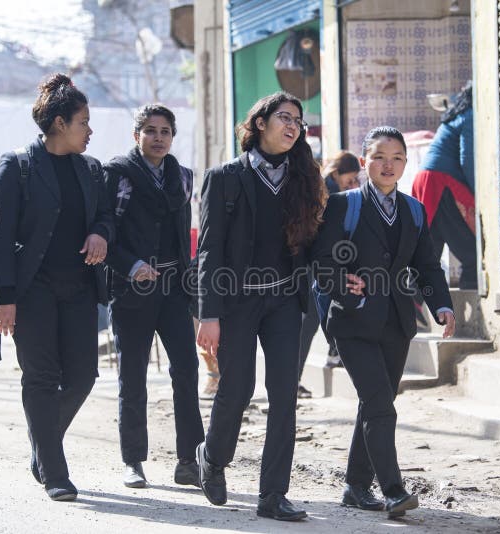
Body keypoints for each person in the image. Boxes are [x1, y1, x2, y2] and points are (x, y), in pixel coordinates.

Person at [312, 126, 455, 519]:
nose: (387, 165)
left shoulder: (413, 209)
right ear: (364, 163)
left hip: (396, 322)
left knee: (375, 404)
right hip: (352, 320)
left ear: (406, 164)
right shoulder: (344, 206)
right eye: (379, 157)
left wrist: (441, 305)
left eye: (396, 158)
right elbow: (320, 262)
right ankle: (392, 490)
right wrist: (342, 281)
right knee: (380, 406)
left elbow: (426, 264)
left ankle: (355, 486)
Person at [195, 92, 326, 521]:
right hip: (236, 299)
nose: (292, 126)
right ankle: (212, 458)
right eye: (283, 117)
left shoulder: (304, 178)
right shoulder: (225, 178)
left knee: (284, 393)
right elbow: (210, 250)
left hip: (286, 298)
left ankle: (272, 495)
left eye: (298, 121)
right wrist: (208, 313)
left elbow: (314, 242)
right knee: (238, 387)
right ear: (260, 123)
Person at [0, 73, 114, 501]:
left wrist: (100, 232)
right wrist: (4, 296)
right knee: (41, 378)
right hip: (32, 290)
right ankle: (56, 473)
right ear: (60, 123)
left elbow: (107, 215)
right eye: (83, 122)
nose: (90, 130)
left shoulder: (91, 169)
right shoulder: (17, 167)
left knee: (82, 376)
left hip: (78, 289)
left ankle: (43, 444)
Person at [103, 104, 205, 489]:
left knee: (187, 370)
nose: (158, 137)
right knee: (133, 378)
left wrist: (189, 276)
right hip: (131, 291)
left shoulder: (182, 176)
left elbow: (183, 233)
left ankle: (189, 460)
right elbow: (104, 231)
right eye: (150, 130)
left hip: (174, 290)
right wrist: (131, 266)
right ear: (136, 135)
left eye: (165, 131)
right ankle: (133, 460)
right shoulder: (117, 174)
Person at [297, 150, 361, 397]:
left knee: (323, 311)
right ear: (337, 173)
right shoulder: (326, 191)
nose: (353, 183)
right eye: (350, 177)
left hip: (317, 263)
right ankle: (292, 380)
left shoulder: (327, 187)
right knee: (311, 318)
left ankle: (334, 352)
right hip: (314, 264)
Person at [412, 81, 476, 289]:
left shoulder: (457, 114)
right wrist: (478, 194)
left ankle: (410, 308)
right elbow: (468, 160)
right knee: (473, 254)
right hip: (441, 182)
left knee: (429, 251)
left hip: (426, 179)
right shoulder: (471, 116)